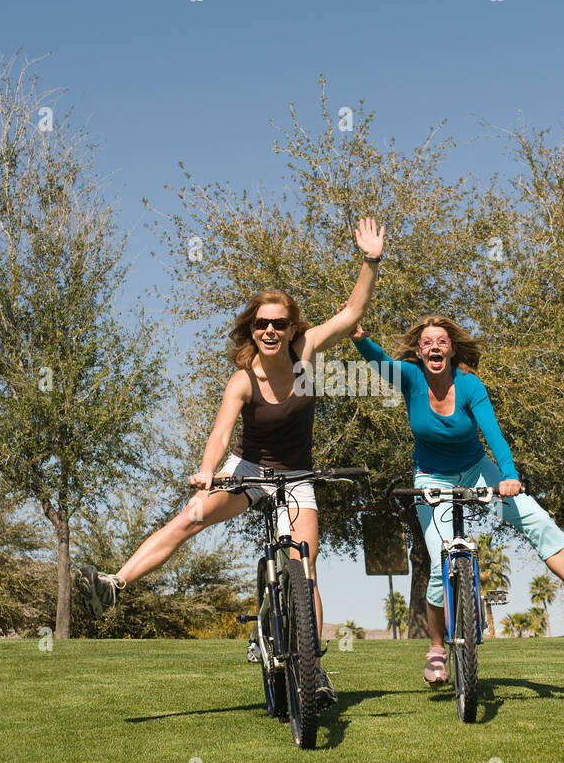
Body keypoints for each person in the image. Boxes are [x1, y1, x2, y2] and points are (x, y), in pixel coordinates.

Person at [76, 218, 385, 709]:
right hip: (247, 470)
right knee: (190, 516)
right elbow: (221, 433)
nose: (269, 330)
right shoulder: (244, 379)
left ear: (291, 329)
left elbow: (351, 312)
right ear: (251, 328)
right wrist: (207, 470)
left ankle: (315, 672)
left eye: (278, 323)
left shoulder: (306, 353)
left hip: (297, 478)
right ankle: (115, 585)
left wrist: (370, 260)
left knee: (305, 571)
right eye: (260, 323)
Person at [349, 314, 564, 686]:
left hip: (477, 469)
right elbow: (380, 362)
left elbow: (492, 433)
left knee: (537, 520)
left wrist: (509, 476)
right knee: (437, 562)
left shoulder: (469, 385)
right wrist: (360, 338)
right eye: (427, 342)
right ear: (419, 350)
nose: (434, 346)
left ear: (451, 349)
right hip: (430, 477)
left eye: (442, 341)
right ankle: (435, 649)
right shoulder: (410, 378)